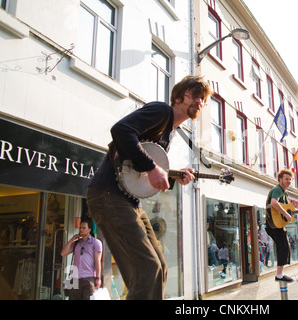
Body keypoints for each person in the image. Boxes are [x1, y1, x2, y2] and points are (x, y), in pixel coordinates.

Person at [86, 75, 212, 300]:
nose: (199, 101)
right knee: (148, 269)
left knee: (159, 267)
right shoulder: (162, 111)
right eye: (194, 95)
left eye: (202, 98)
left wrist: (172, 177)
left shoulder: (169, 133)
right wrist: (153, 168)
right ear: (177, 96)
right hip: (108, 195)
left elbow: (138, 171)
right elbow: (121, 130)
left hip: (128, 201)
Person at [266, 169, 298, 282]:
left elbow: (290, 210)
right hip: (274, 224)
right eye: (286, 179)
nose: (288, 181)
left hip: (277, 225)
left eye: (290, 179)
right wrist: (285, 213)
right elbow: (274, 202)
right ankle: (279, 275)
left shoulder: (285, 193)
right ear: (280, 179)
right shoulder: (278, 190)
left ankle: (280, 273)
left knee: (285, 246)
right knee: (284, 246)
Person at [61, 220, 102, 300]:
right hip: (75, 279)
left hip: (88, 278)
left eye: (84, 228)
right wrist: (72, 239)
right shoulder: (76, 243)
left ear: (89, 229)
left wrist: (98, 278)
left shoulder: (95, 243)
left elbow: (98, 262)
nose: (81, 230)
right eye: (80, 228)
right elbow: (63, 253)